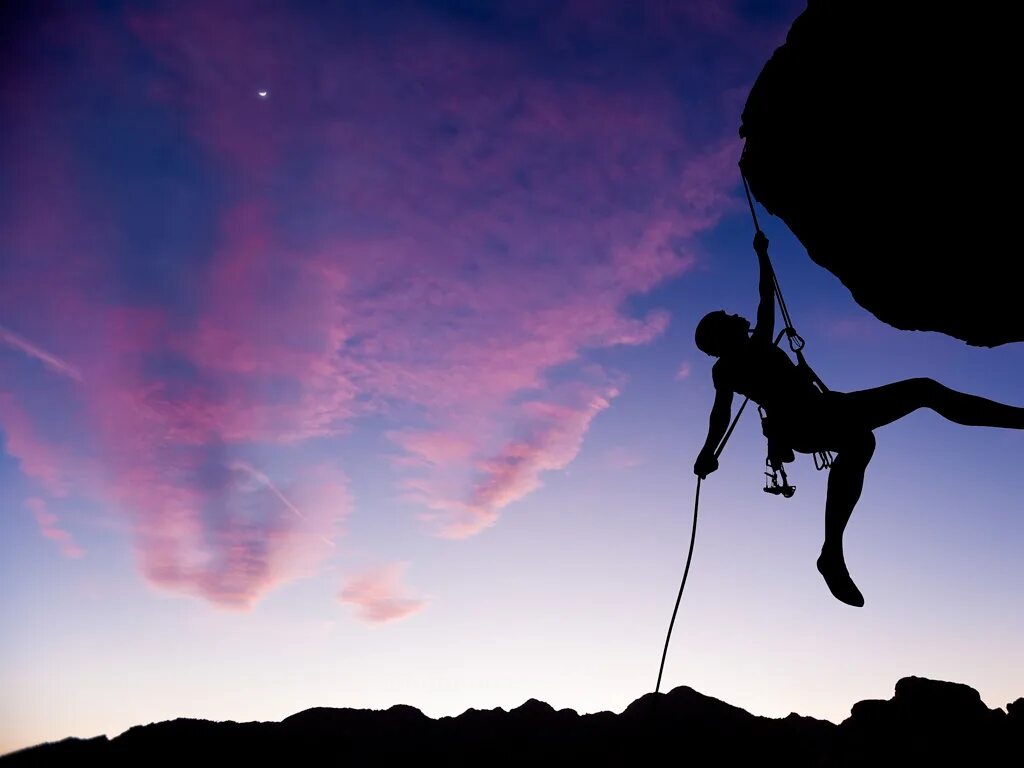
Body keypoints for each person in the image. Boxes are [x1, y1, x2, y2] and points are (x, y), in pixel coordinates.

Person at [693, 231, 1024, 607]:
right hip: (810, 419)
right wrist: (709, 451)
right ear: (718, 339)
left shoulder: (752, 350)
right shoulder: (735, 362)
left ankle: (831, 553)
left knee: (873, 432)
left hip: (823, 412)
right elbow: (721, 410)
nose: (734, 316)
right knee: (918, 396)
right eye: (724, 318)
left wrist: (762, 255)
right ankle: (831, 552)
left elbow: (764, 299)